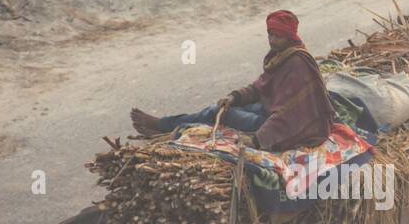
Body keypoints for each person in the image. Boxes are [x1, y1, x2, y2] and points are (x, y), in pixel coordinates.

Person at [130, 10, 334, 152]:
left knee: (215, 112)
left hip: (295, 129)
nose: (272, 40)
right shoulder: (282, 55)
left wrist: (257, 139)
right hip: (271, 113)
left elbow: (286, 115)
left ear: (289, 37)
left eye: (277, 36)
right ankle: (166, 124)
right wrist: (234, 97)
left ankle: (163, 125)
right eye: (270, 34)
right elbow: (259, 87)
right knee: (224, 107)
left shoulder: (297, 64)